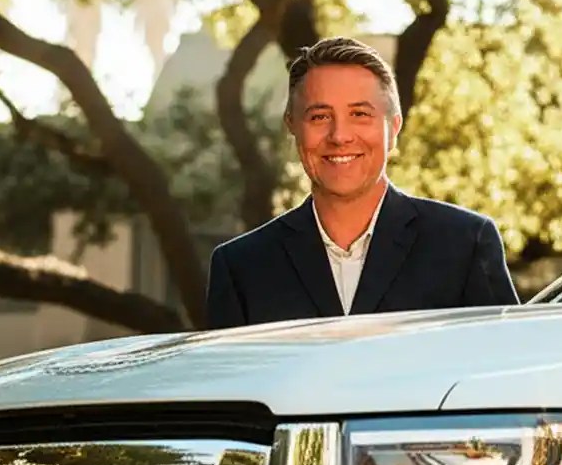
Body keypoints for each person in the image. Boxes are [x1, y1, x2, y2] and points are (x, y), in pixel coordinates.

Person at [205, 36, 520, 329]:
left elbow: (506, 377)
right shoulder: (241, 268)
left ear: (393, 129)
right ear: (292, 126)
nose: (340, 136)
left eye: (360, 114)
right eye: (319, 117)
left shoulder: (465, 244)